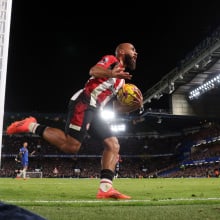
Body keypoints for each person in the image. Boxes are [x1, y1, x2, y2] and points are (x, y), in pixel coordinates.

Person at [6, 42, 140, 199]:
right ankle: (31, 125)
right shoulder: (111, 60)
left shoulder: (122, 82)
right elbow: (93, 70)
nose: (135, 53)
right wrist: (112, 74)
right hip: (84, 102)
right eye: (133, 50)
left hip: (97, 110)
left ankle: (105, 188)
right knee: (71, 146)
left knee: (113, 144)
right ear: (122, 51)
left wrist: (132, 106)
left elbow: (116, 108)